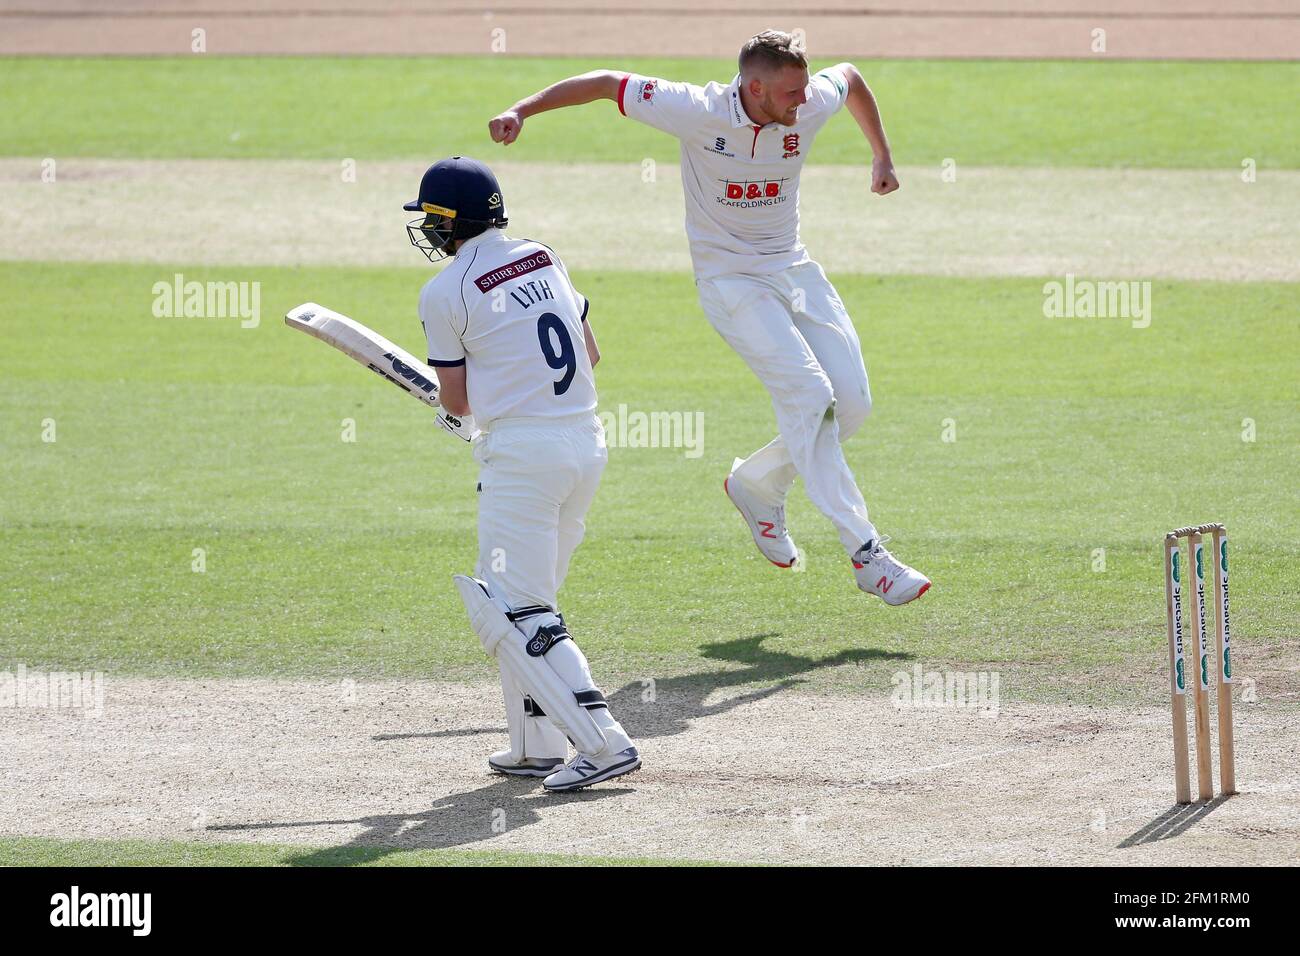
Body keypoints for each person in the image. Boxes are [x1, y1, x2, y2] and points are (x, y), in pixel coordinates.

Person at [488, 30, 930, 605]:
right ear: (754, 87)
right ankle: (867, 553)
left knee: (852, 403)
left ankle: (756, 483)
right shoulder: (695, 111)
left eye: (803, 90)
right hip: (730, 283)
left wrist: (882, 156)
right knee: (809, 394)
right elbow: (603, 84)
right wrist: (522, 110)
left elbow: (849, 77)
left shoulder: (808, 101)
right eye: (790, 93)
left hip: (793, 268)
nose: (802, 102)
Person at [406, 156, 640, 791]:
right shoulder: (543, 255)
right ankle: (534, 743)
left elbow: (455, 401)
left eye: (430, 216)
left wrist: (479, 404)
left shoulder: (445, 291)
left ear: (448, 221)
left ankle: (602, 741)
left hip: (523, 457)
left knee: (512, 610)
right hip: (585, 441)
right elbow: (589, 352)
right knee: (528, 602)